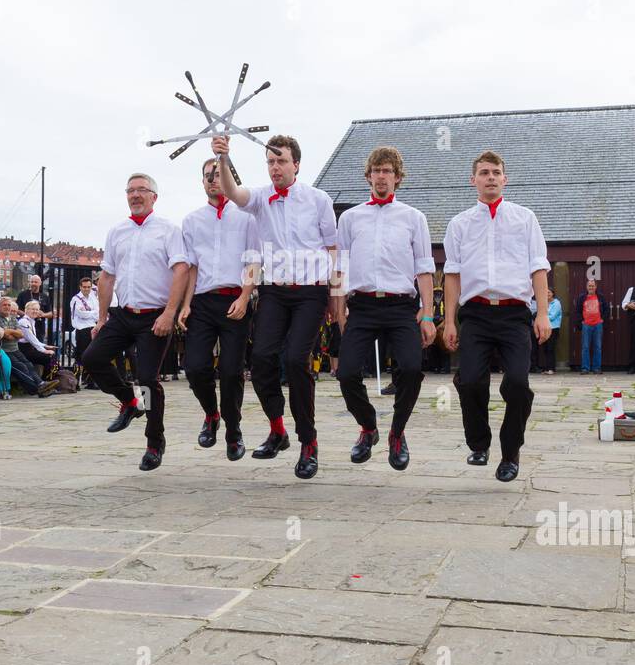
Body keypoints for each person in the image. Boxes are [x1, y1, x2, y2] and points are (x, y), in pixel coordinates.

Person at [214, 133, 337, 479]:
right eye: (270, 161)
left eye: (281, 160)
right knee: (262, 360)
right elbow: (233, 193)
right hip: (274, 293)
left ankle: (308, 443)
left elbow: (333, 249)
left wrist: (336, 297)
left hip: (311, 293)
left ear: (296, 164)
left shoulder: (318, 199)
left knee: (297, 360)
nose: (275, 167)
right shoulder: (260, 199)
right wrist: (224, 158)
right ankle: (277, 428)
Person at [442, 150, 552, 483]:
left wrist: (542, 314)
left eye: (496, 172)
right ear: (473, 179)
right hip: (474, 314)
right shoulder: (460, 223)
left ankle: (510, 451)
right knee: (471, 379)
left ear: (505, 178)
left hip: (515, 313)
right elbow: (452, 274)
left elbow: (538, 266)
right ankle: (478, 443)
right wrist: (449, 320)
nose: (490, 177)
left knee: (518, 383)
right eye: (484, 172)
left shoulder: (525, 218)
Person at [332, 146, 436, 470]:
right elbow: (339, 268)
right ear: (368, 176)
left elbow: (424, 267)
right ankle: (368, 426)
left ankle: (397, 433)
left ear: (397, 177)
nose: (381, 176)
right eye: (376, 170)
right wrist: (338, 311)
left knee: (410, 369)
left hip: (401, 308)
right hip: (361, 307)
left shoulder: (413, 218)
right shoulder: (349, 219)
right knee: (346, 373)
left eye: (387, 171)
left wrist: (429, 313)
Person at [81, 172, 188, 471]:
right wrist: (101, 318)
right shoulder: (117, 231)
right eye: (130, 191)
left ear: (155, 196)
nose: (135, 195)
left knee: (149, 380)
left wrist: (170, 312)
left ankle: (154, 442)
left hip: (154, 316)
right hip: (123, 313)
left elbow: (181, 270)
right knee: (93, 358)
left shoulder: (168, 230)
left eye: (142, 190)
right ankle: (129, 401)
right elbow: (107, 276)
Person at [178, 155, 260, 461]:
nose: (213, 179)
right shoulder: (192, 220)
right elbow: (191, 267)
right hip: (202, 301)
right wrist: (185, 305)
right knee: (195, 367)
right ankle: (211, 414)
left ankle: (233, 430)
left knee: (230, 371)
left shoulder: (246, 217)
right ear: (202, 182)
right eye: (207, 175)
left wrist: (245, 296)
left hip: (234, 301)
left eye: (218, 174)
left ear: (229, 177)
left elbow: (254, 260)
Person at [0, 298, 59, 397]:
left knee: (28, 365)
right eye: (5, 305)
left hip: (15, 348)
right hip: (6, 350)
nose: (9, 309)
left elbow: (20, 334)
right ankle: (39, 389)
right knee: (21, 367)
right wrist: (43, 350)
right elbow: (5, 334)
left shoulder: (13, 319)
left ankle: (42, 384)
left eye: (11, 308)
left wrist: (45, 346)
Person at [70, 275, 99, 387]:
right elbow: (81, 314)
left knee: (92, 355)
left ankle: (90, 380)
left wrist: (90, 313)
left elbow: (98, 311)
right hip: (81, 330)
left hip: (93, 328)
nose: (87, 289)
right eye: (84, 287)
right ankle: (75, 381)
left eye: (89, 287)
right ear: (80, 287)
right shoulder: (76, 299)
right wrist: (93, 313)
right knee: (80, 356)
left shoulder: (93, 297)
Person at [17, 300, 57, 378]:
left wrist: (45, 345)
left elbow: (34, 340)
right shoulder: (23, 322)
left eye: (37, 309)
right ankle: (46, 381)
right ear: (26, 310)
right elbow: (32, 340)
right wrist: (44, 350)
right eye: (33, 309)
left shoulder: (31, 321)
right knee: (49, 357)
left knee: (52, 356)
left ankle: (50, 379)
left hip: (30, 349)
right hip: (23, 350)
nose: (35, 311)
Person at [574, 279, 607, 373]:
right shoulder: (582, 297)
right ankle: (585, 368)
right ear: (587, 286)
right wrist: (582, 321)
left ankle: (596, 368)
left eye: (593, 286)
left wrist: (602, 319)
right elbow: (577, 311)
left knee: (597, 347)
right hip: (586, 325)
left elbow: (606, 309)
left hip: (598, 325)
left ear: (596, 287)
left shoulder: (600, 297)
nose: (591, 287)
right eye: (589, 286)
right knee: (585, 347)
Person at [538, 287, 562, 374]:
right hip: (544, 328)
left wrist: (542, 316)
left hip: (553, 328)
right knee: (545, 349)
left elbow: (552, 316)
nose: (547, 294)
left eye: (549, 292)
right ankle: (546, 368)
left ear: (553, 294)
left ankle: (551, 369)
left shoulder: (556, 303)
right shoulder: (544, 303)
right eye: (546, 293)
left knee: (550, 349)